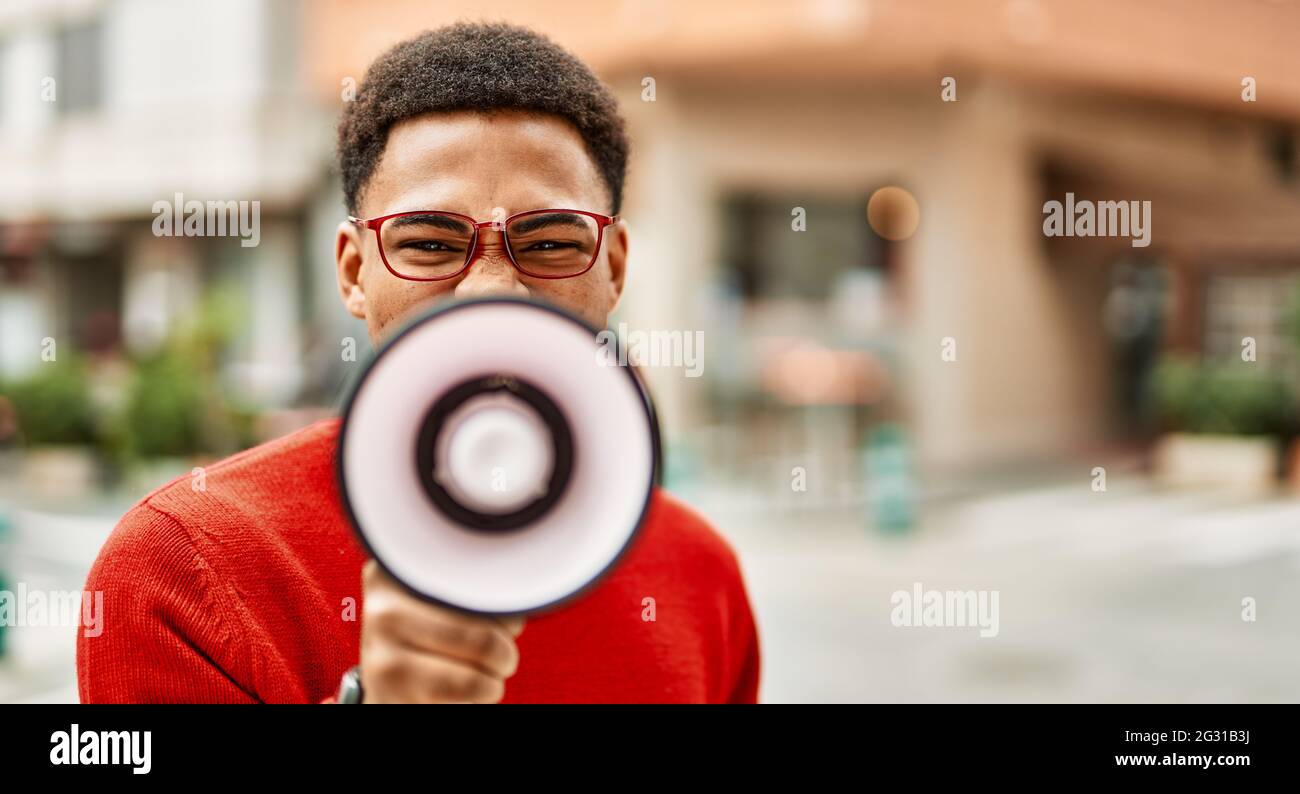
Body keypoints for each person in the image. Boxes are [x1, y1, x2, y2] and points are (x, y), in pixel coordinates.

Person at [77, 22, 761, 704]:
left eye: (551, 242)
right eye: (430, 244)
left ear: (613, 271)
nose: (491, 290)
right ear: (353, 272)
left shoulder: (700, 576)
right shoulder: (183, 570)